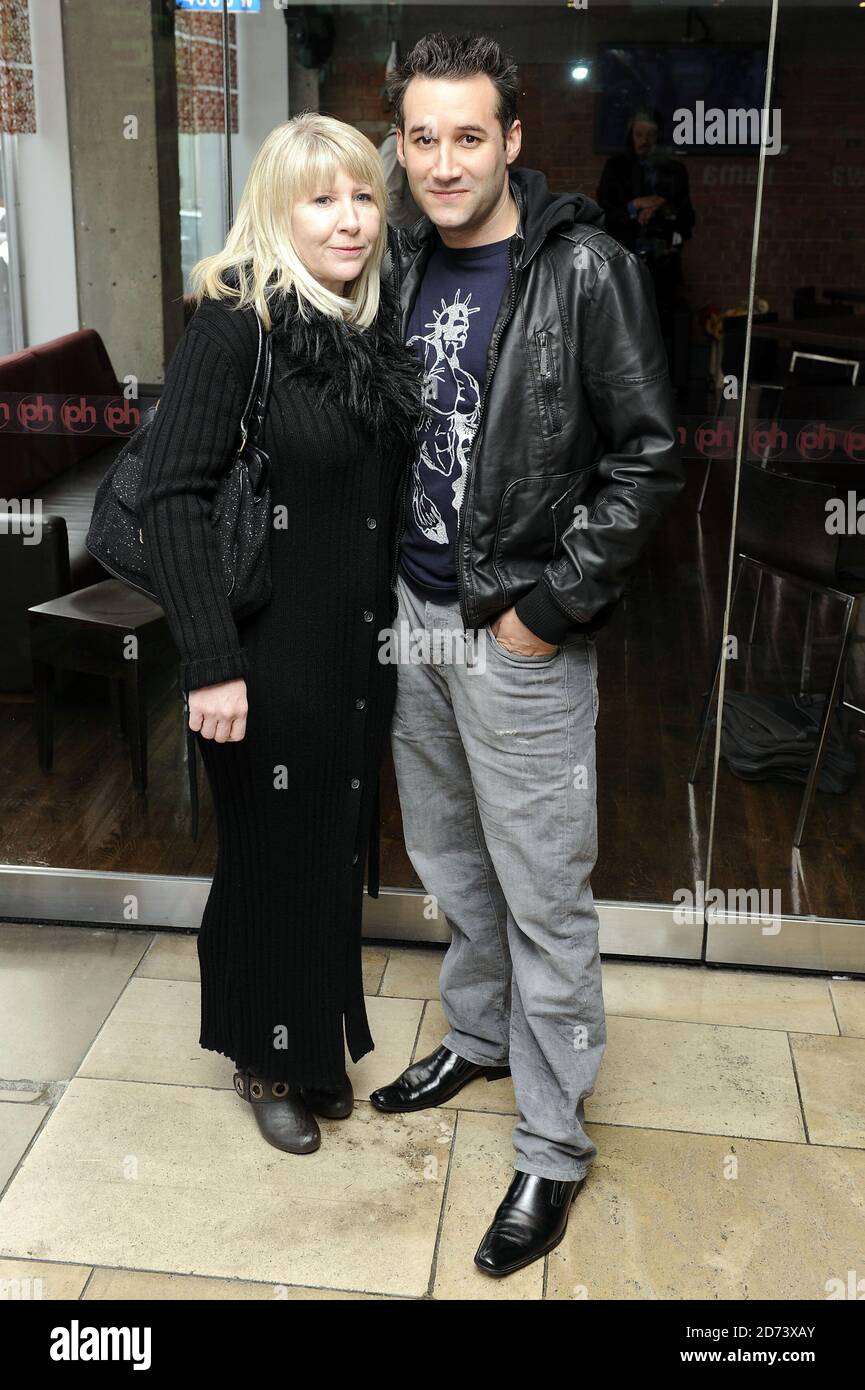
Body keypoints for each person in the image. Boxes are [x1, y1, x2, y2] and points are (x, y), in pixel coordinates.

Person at [370, 33, 685, 1276]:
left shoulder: (584, 270)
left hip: (516, 630)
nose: (444, 161)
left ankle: (552, 1147)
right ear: (402, 146)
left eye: (468, 136)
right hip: (413, 612)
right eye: (422, 137)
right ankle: (479, 1034)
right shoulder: (397, 264)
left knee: (545, 890)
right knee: (450, 855)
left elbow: (651, 456)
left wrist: (548, 609)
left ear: (511, 142)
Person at [136, 114, 422, 1156]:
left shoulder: (367, 330)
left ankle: (314, 1045)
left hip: (354, 652)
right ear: (276, 209)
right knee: (268, 856)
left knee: (330, 851)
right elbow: (169, 497)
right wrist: (212, 663)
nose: (348, 220)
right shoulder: (235, 326)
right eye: (321, 199)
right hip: (260, 654)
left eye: (360, 197)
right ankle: (264, 1055)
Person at [596, 107, 696, 370]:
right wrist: (635, 206)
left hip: (663, 266)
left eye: (650, 134)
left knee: (663, 335)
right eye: (639, 133)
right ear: (631, 135)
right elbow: (602, 215)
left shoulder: (674, 170)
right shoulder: (616, 168)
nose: (645, 140)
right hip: (623, 265)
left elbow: (688, 221)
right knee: (622, 332)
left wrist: (663, 206)